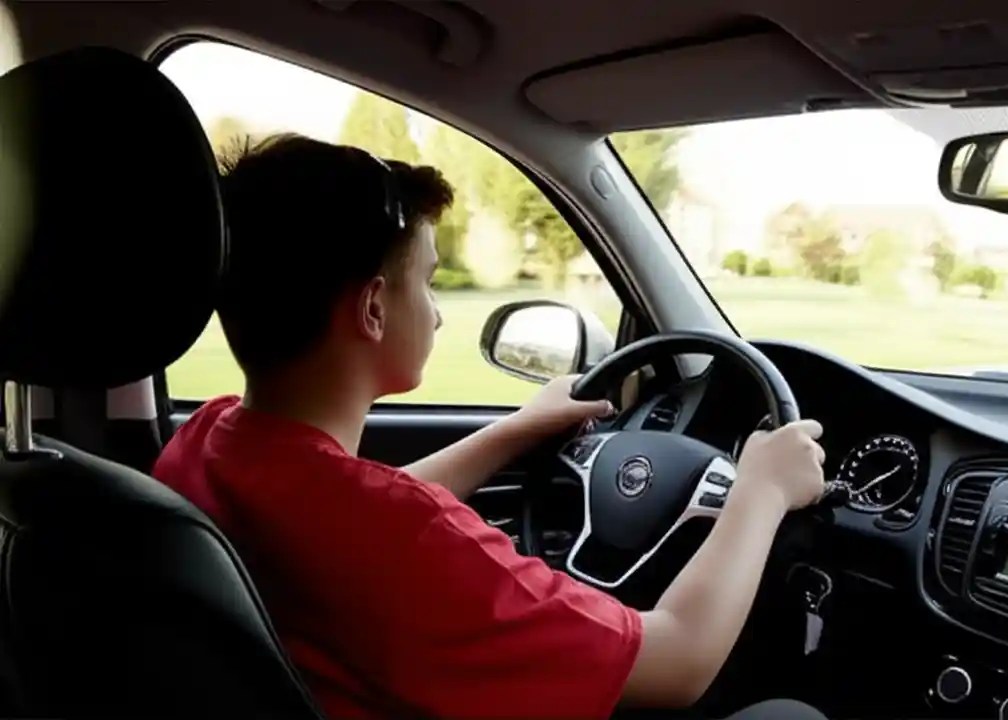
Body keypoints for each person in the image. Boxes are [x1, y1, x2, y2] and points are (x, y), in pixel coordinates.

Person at [153, 133, 829, 720]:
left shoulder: (207, 444)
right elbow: (678, 659)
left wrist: (518, 428)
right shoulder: (406, 544)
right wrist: (761, 492)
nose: (440, 314)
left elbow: (357, 510)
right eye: (429, 281)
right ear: (375, 310)